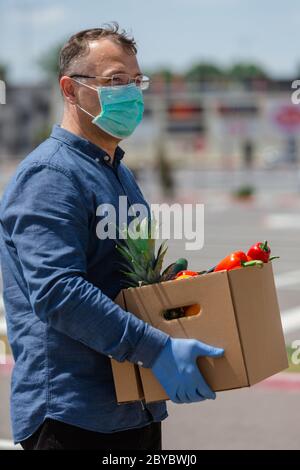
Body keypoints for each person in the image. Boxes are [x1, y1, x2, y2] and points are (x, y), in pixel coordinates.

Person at [0, 24, 224, 451]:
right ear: (70, 89)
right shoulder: (51, 175)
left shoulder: (117, 171)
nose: (131, 93)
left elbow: (126, 279)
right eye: (115, 81)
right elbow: (58, 293)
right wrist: (156, 350)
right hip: (72, 417)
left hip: (134, 404)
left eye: (136, 81)